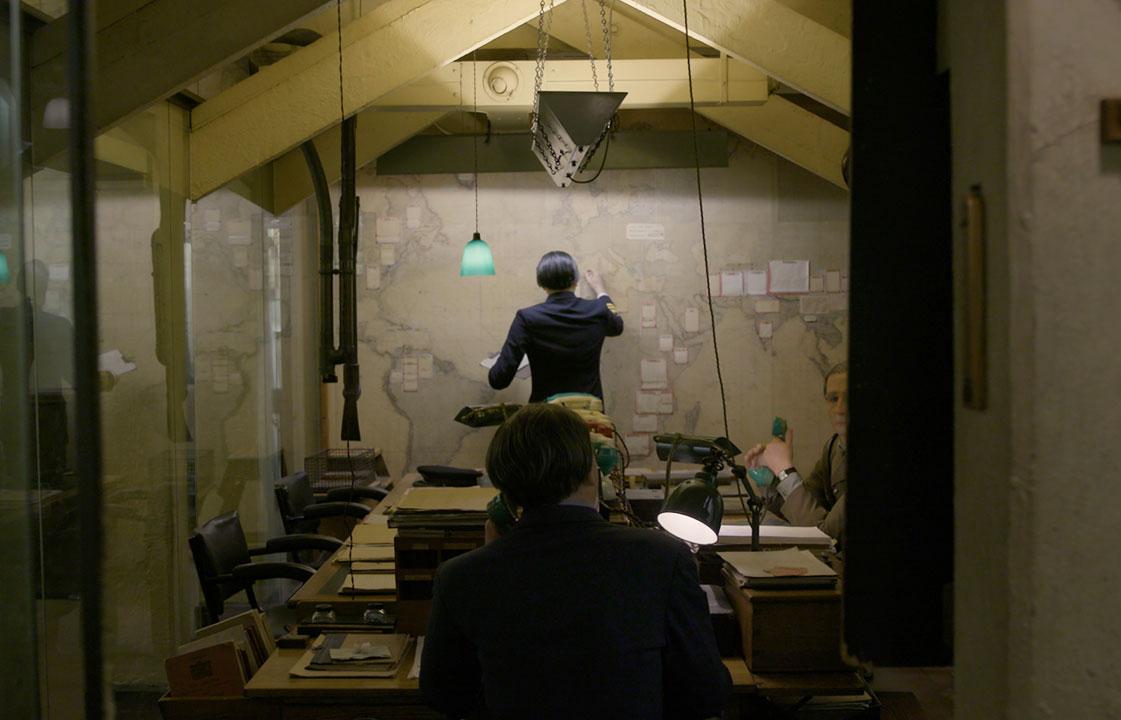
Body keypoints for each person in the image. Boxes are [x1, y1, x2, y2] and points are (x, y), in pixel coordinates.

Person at [421, 403, 731, 719]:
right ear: (590, 470)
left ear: (503, 487)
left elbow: (444, 696)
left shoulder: (460, 577)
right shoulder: (665, 559)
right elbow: (706, 694)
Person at [488, 251, 623, 402]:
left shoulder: (527, 318)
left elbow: (499, 380)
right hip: (591, 418)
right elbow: (617, 326)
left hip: (546, 417)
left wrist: (503, 358)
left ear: (541, 283)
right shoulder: (598, 310)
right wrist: (601, 291)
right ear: (576, 280)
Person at [745, 362, 848, 541]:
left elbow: (825, 536)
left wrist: (784, 471)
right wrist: (770, 479)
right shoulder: (834, 447)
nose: (840, 409)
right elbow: (803, 513)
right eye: (833, 399)